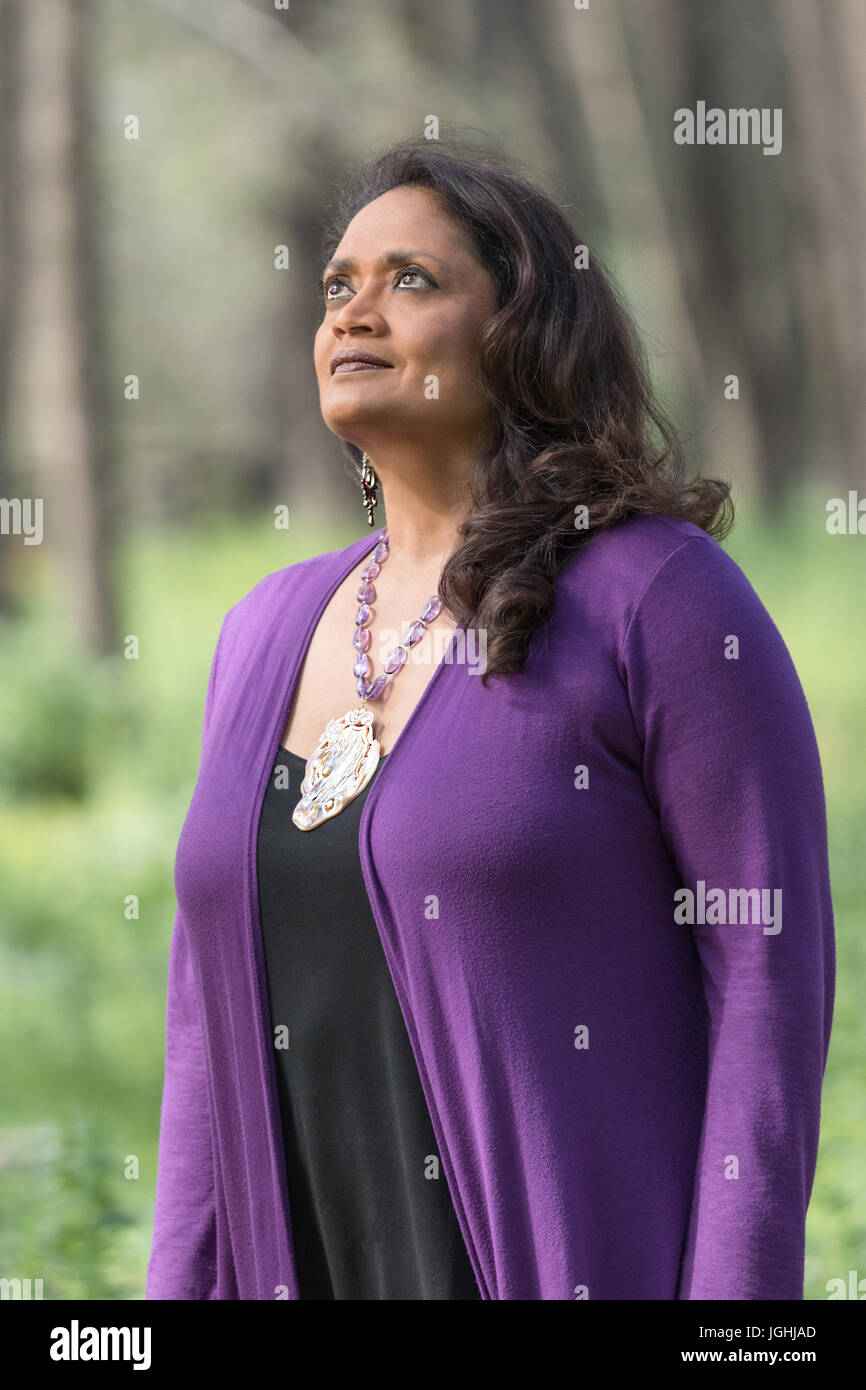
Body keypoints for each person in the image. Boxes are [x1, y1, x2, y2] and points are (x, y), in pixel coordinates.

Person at [145, 139, 835, 1300]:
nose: (354, 311)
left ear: (523, 331)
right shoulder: (261, 632)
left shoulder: (654, 599)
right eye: (336, 287)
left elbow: (766, 975)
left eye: (408, 279)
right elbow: (203, 1037)